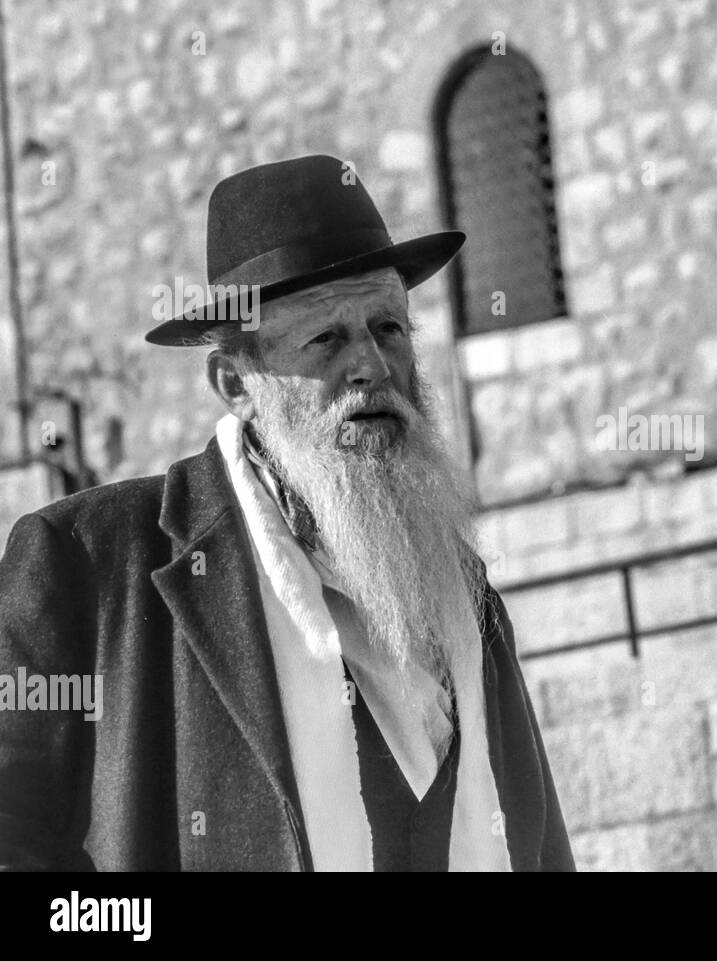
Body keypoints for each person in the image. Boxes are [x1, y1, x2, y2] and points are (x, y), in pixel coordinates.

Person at [0, 154, 573, 871]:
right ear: (237, 383)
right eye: (326, 339)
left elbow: (542, 851)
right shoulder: (90, 563)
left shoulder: (462, 592)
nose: (369, 364)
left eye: (388, 328)